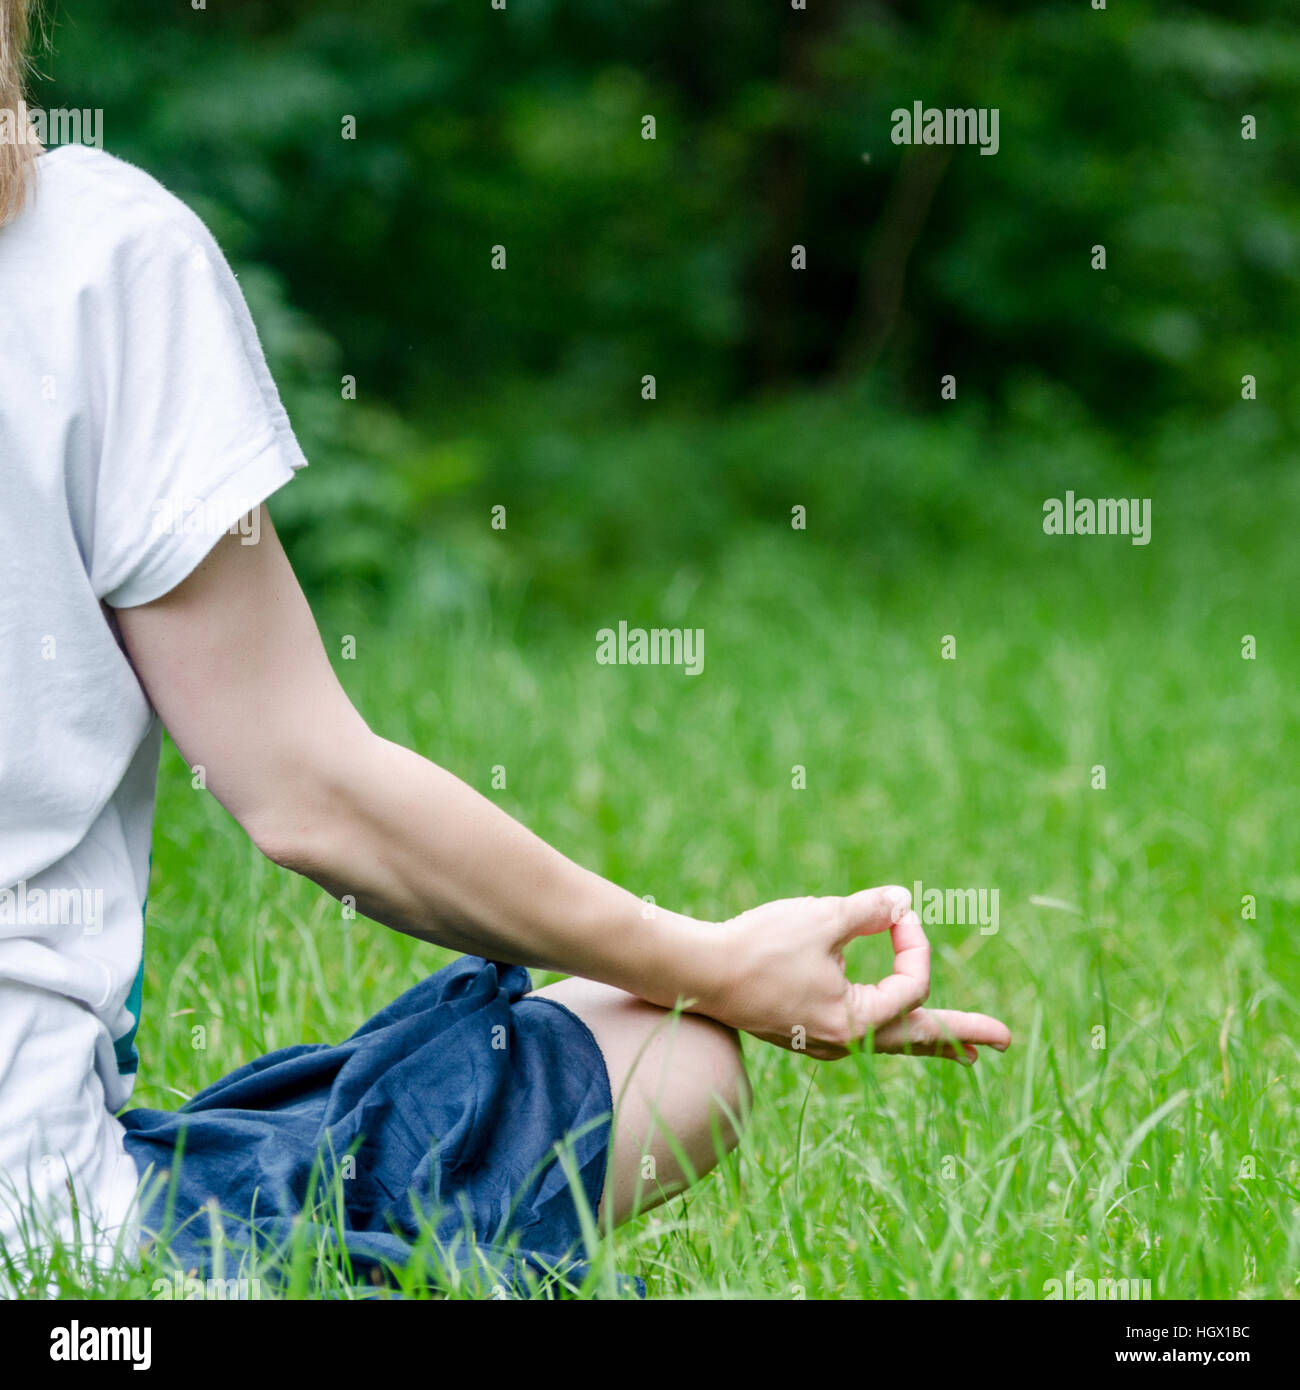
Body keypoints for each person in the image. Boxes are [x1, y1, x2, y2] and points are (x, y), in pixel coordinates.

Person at [0, 1, 1010, 1292]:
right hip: (58, 1245)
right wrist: (715, 964)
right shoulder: (95, 257)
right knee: (673, 1048)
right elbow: (310, 792)